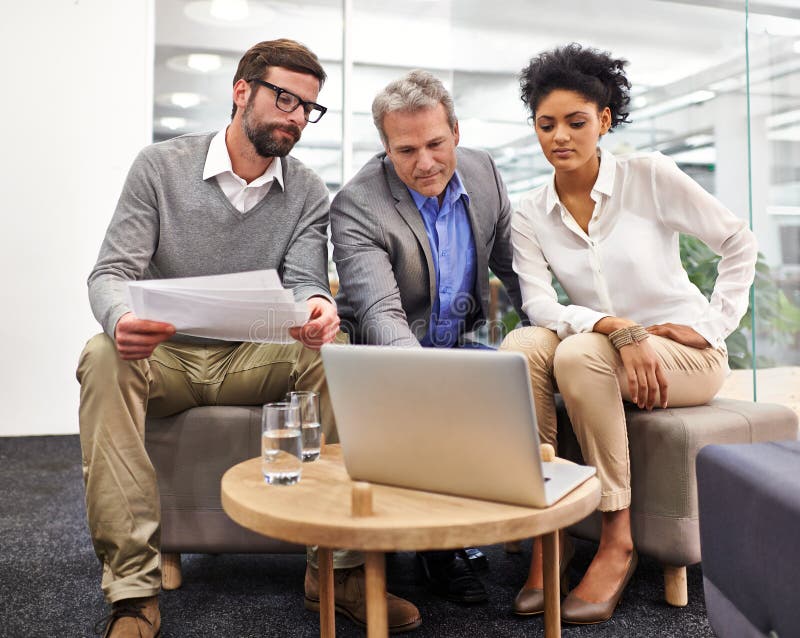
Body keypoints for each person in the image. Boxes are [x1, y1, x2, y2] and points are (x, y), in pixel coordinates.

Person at [77, 39, 418, 637]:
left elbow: (308, 281)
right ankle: (133, 591)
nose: (296, 117)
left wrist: (318, 307)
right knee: (103, 356)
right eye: (285, 98)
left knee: (333, 353)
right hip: (168, 357)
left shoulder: (309, 190)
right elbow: (112, 272)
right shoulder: (159, 168)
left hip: (251, 358)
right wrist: (120, 319)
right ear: (242, 92)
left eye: (308, 107)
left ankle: (333, 574)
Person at [500, 43, 758, 624]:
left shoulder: (650, 176)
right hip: (608, 349)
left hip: (683, 357)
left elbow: (739, 243)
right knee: (521, 349)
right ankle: (553, 528)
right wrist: (615, 327)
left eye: (576, 122)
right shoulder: (530, 211)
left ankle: (617, 537)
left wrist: (711, 325)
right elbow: (539, 304)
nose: (560, 136)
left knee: (580, 356)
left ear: (604, 121)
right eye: (546, 125)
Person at [330, 70, 525, 605]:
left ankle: (518, 535)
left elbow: (514, 272)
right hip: (383, 352)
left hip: (457, 344)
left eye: (436, 143)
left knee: (521, 372)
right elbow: (379, 312)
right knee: (426, 392)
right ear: (386, 148)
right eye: (406, 149)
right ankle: (438, 552)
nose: (425, 162)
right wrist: (430, 379)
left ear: (456, 132)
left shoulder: (484, 173)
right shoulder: (357, 203)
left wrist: (555, 332)